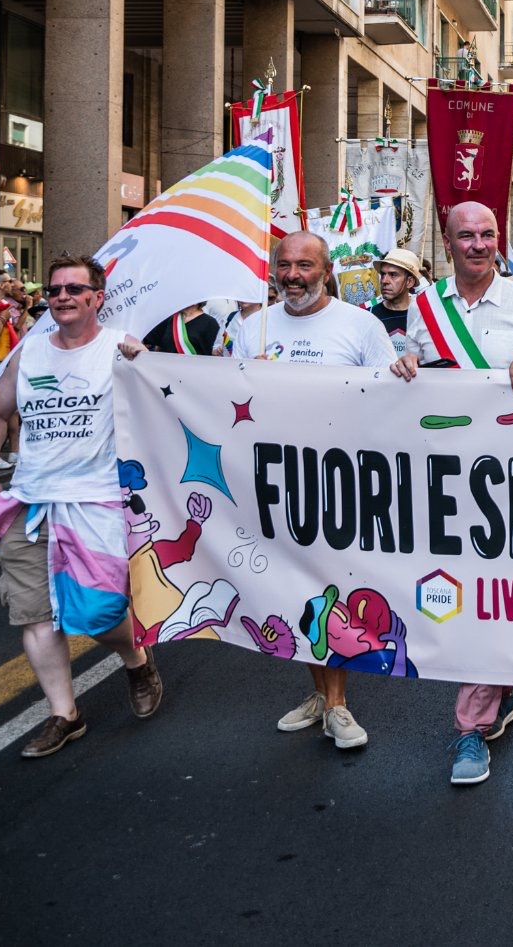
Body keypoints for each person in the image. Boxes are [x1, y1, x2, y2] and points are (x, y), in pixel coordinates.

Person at [225, 232, 418, 750]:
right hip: (274, 482)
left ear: (327, 269)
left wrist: (406, 373)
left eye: (305, 266)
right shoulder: (252, 329)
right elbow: (222, 401)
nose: (292, 276)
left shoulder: (360, 325)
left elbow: (388, 397)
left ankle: (335, 706)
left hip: (340, 481)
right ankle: (321, 694)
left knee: (334, 590)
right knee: (295, 590)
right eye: (284, 265)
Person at [0, 255, 161, 758]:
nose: (63, 297)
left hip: (96, 503)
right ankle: (64, 714)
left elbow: (167, 403)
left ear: (97, 297)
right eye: (55, 290)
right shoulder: (30, 354)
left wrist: (146, 364)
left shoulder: (120, 348)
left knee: (99, 613)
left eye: (75, 289)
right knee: (33, 614)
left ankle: (136, 661)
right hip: (30, 501)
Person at [417, 203, 513, 786]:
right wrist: (401, 367)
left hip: (511, 477)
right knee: (454, 589)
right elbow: (388, 381)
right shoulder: (423, 310)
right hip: (442, 475)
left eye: (488, 235)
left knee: (495, 589)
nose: (478, 245)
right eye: (466, 236)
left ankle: (470, 728)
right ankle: (494, 693)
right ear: (447, 242)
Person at [368, 247, 431, 361]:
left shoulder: (423, 316)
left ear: (409, 282)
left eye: (393, 275)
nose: (384, 281)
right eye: (383, 274)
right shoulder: (369, 315)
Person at [142, 302, 221, 357]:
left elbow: (211, 354)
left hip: (193, 375)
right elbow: (148, 341)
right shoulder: (169, 319)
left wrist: (216, 352)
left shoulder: (210, 323)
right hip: (166, 374)